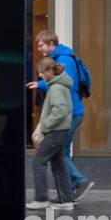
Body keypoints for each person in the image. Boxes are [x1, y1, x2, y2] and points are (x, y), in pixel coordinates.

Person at [26, 29, 92, 200]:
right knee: (61, 152)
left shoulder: (64, 60)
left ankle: (79, 182)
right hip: (71, 112)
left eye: (41, 45)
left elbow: (63, 86)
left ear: (51, 44)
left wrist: (41, 85)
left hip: (70, 114)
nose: (39, 49)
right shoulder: (61, 58)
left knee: (59, 152)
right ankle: (67, 194)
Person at [25, 57, 75, 211]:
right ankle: (66, 201)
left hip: (55, 131)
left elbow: (60, 111)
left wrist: (45, 126)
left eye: (41, 72)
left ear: (48, 72)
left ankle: (41, 199)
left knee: (38, 162)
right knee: (59, 166)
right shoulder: (59, 86)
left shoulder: (56, 89)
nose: (40, 76)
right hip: (61, 130)